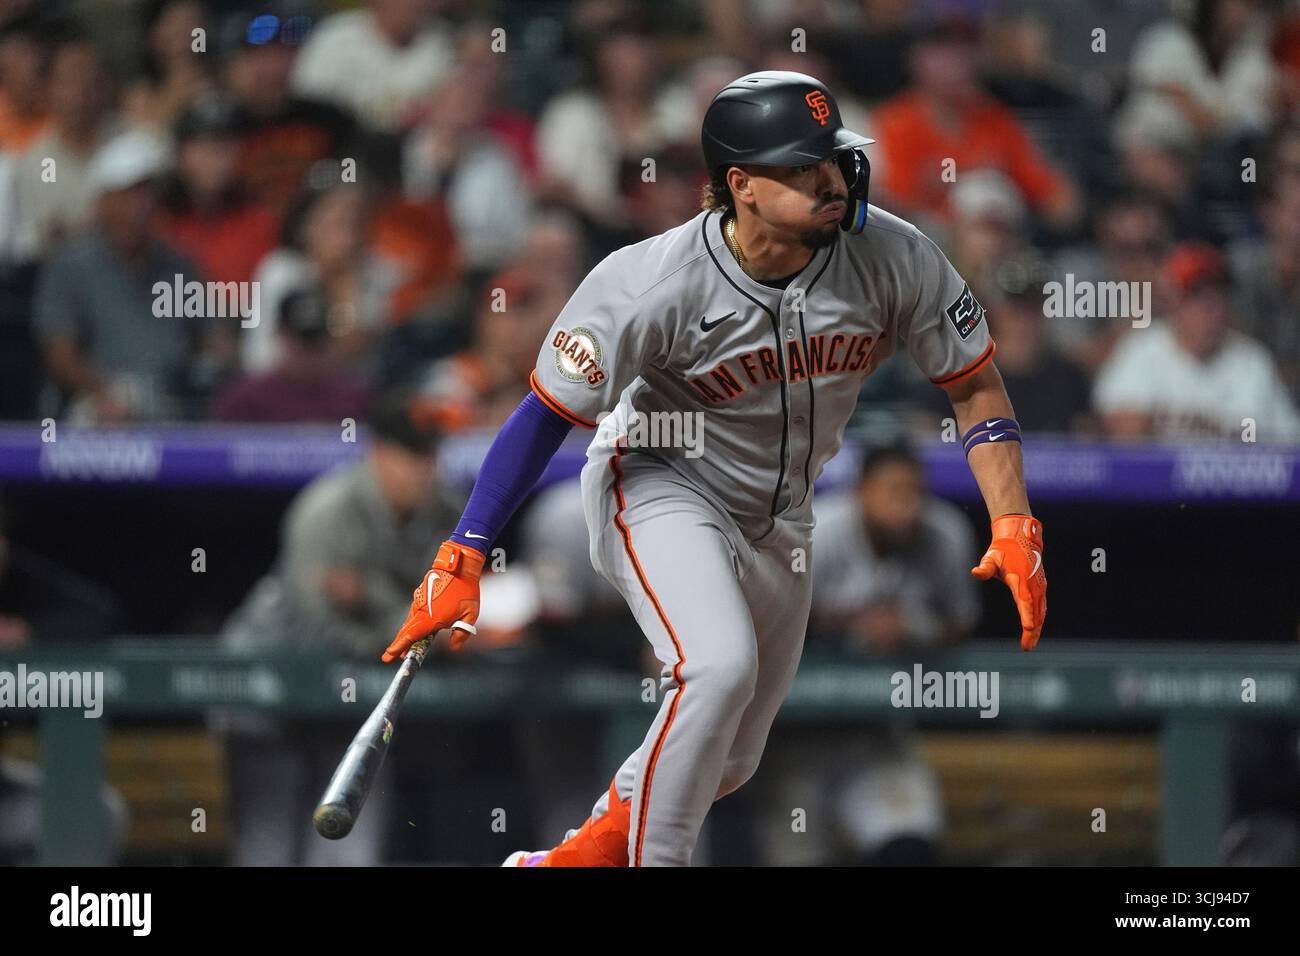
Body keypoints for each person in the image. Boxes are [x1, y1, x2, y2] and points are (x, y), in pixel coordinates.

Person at [380, 71, 1048, 867]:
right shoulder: (650, 281)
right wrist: (465, 550)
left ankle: (566, 863)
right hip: (662, 482)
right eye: (803, 168)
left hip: (782, 520)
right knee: (717, 669)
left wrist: (1012, 517)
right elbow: (544, 417)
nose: (832, 180)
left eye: (832, 159)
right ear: (742, 187)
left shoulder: (893, 254)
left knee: (724, 760)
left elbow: (972, 381)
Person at [217, 391, 462, 865]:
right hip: (268, 686)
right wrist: (407, 625)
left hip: (355, 703)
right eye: (410, 454)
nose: (422, 469)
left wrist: (370, 601)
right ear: (378, 452)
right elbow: (316, 638)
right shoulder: (327, 509)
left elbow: (445, 615)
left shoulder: (444, 514)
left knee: (350, 851)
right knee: (267, 849)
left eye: (429, 454)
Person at [757, 443, 980, 865]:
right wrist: (843, 623)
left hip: (878, 735)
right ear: (861, 491)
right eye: (892, 492)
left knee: (909, 843)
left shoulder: (943, 534)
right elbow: (764, 620)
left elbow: (962, 622)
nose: (906, 506)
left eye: (914, 492)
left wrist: (914, 629)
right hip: (795, 735)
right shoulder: (816, 535)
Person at [1094, 241, 1300, 442]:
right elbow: (1122, 427)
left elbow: (1287, 441)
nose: (1211, 307)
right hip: (1159, 477)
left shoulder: (1251, 359)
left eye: (1218, 293)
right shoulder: (1142, 349)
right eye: (1198, 295)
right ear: (1172, 301)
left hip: (1232, 477)